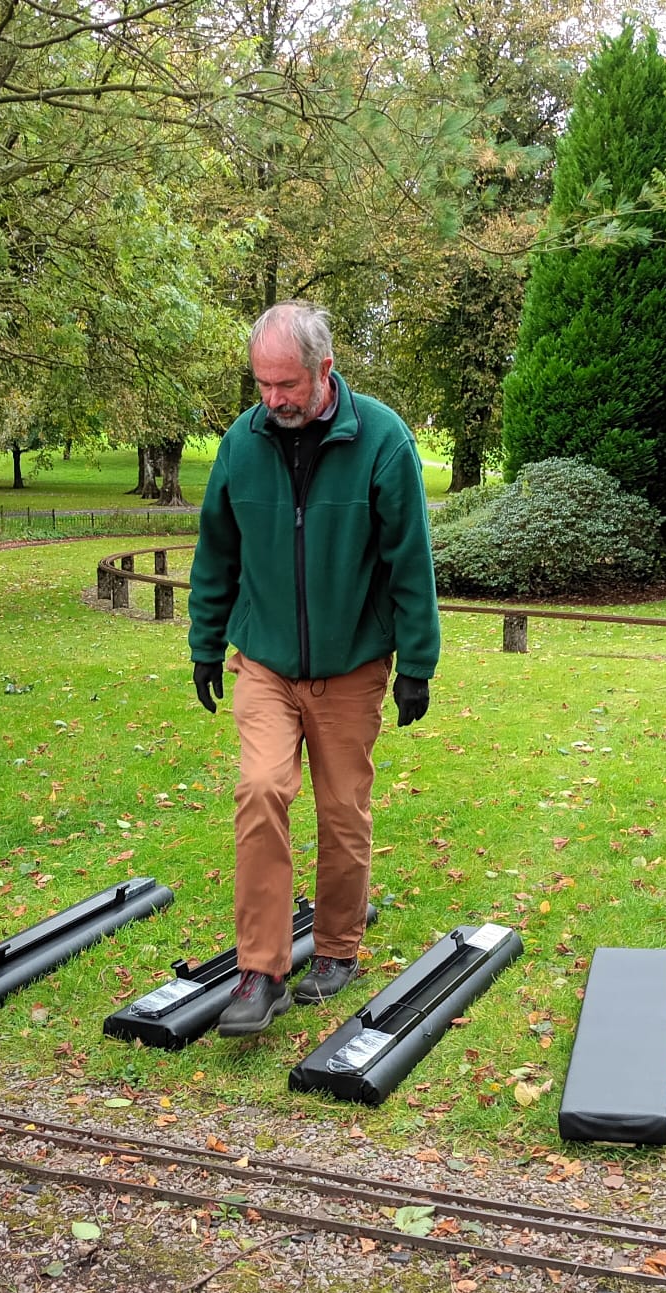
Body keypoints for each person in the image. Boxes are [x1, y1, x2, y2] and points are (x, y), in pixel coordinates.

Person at [186, 301, 441, 1037]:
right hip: (264, 659)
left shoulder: (382, 441)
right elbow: (217, 552)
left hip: (351, 663)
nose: (274, 399)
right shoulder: (242, 445)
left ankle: (336, 948)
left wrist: (417, 662)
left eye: (287, 384)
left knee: (342, 810)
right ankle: (259, 970)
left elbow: (410, 560)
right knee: (261, 789)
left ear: (324, 369)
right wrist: (205, 643)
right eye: (263, 384)